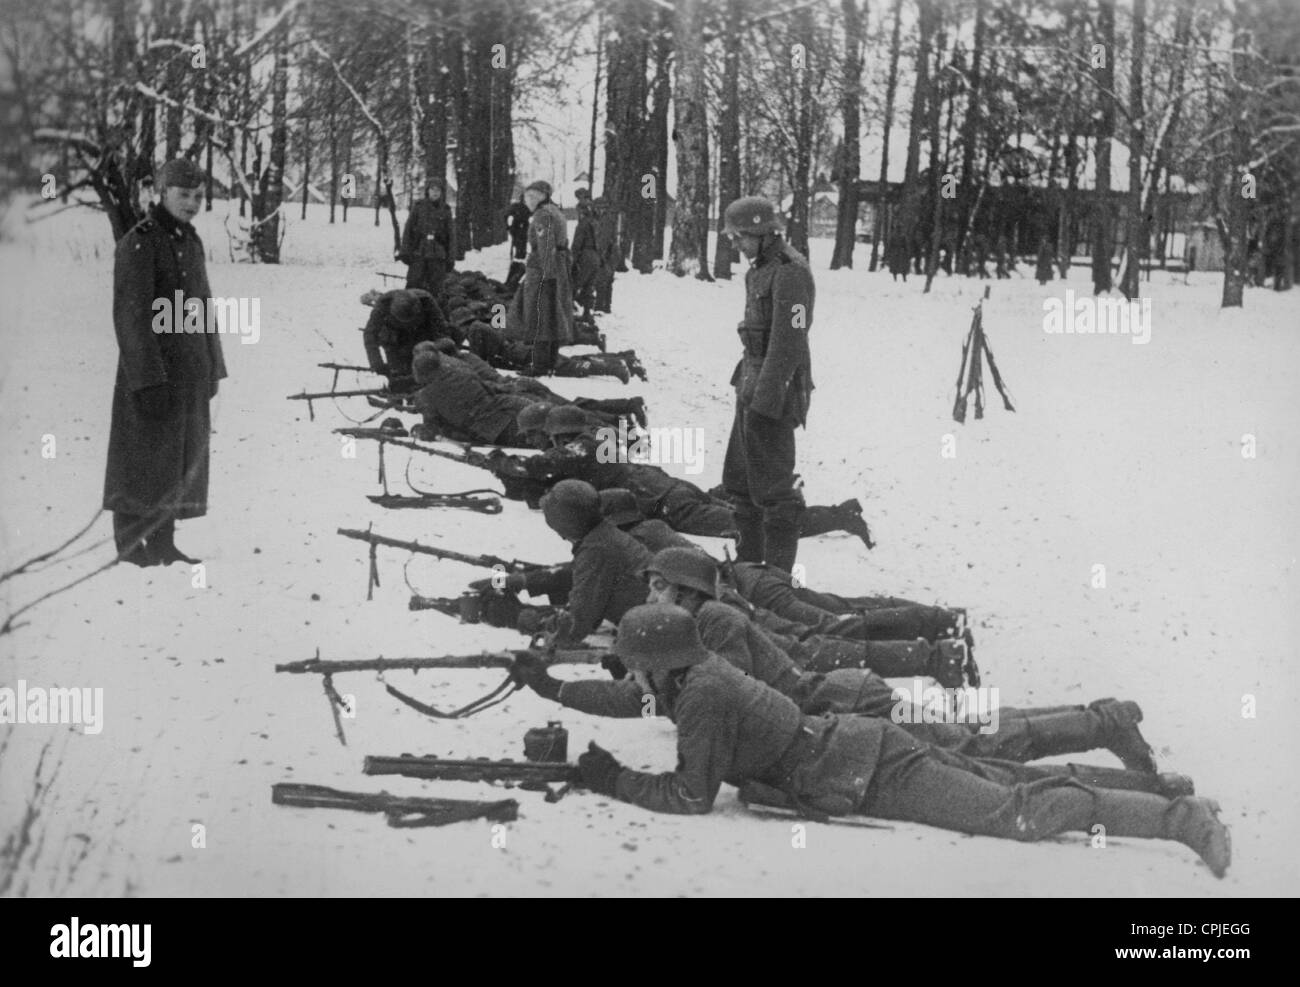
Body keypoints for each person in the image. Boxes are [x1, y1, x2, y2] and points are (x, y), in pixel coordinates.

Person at [530, 604, 1231, 877]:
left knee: (1016, 811)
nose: (632, 670)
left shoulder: (705, 693)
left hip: (867, 764)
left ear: (660, 659)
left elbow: (690, 795)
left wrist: (611, 778)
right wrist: (564, 689)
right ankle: (1161, 790)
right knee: (1006, 779)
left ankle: (1178, 818)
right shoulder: (697, 677)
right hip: (862, 747)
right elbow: (643, 699)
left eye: (633, 657)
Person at [515, 551, 1188, 799]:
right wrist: (557, 688)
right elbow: (644, 696)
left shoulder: (711, 628)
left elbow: (717, 704)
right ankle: (1119, 743)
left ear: (689, 593)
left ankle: (1106, 724)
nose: (654, 600)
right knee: (983, 738)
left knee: (986, 744)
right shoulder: (694, 631)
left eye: (662, 589)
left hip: (853, 708)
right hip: (842, 708)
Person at [104, 158, 227, 567]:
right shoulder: (140, 241)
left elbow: (203, 307)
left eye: (197, 196)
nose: (192, 203)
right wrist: (148, 379)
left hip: (189, 371)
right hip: (151, 373)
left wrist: (213, 365)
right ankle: (128, 544)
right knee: (141, 457)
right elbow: (132, 318)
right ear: (161, 192)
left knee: (174, 459)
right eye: (183, 194)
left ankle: (162, 542)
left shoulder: (190, 242)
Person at [720, 196, 815, 572]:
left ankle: (775, 580)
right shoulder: (760, 268)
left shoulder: (790, 272)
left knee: (774, 490)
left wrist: (767, 399)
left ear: (761, 233)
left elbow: (790, 340)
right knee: (740, 480)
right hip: (751, 381)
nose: (736, 244)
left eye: (740, 237)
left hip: (773, 389)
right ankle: (747, 569)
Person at [506, 180, 575, 375]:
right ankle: (550, 362)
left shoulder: (541, 216)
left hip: (544, 270)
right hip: (557, 267)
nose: (527, 200)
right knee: (552, 317)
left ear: (540, 196)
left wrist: (546, 274)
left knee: (538, 317)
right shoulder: (555, 211)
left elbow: (545, 245)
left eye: (530, 196)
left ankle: (539, 365)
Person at [361, 288, 454, 385]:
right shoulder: (383, 304)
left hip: (421, 336)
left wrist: (441, 354)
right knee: (398, 378)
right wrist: (377, 363)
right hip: (395, 341)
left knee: (427, 372)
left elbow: (441, 329)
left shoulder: (426, 300)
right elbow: (370, 334)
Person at [399, 180, 456, 300]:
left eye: (438, 190)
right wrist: (404, 251)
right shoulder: (419, 207)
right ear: (427, 191)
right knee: (413, 284)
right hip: (419, 252)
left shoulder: (445, 210)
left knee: (436, 288)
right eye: (432, 189)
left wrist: (451, 257)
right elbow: (408, 230)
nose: (435, 193)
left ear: (441, 192)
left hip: (438, 254)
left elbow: (451, 235)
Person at [571, 196, 600, 323]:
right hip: (596, 256)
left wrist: (572, 260)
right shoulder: (596, 223)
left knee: (573, 285)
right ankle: (588, 314)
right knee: (589, 286)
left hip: (585, 256)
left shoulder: (582, 225)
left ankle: (566, 315)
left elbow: (577, 244)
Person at [592, 197, 619, 313]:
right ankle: (606, 305)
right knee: (607, 280)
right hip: (610, 254)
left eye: (600, 208)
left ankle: (601, 305)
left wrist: (600, 255)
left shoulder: (605, 221)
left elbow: (604, 239)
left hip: (608, 254)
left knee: (603, 279)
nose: (598, 210)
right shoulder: (607, 219)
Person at [504, 192, 531, 291]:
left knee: (521, 247)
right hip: (517, 228)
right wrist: (508, 226)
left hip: (523, 228)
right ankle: (517, 263)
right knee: (518, 246)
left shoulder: (528, 207)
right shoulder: (516, 206)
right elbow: (506, 214)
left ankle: (519, 260)